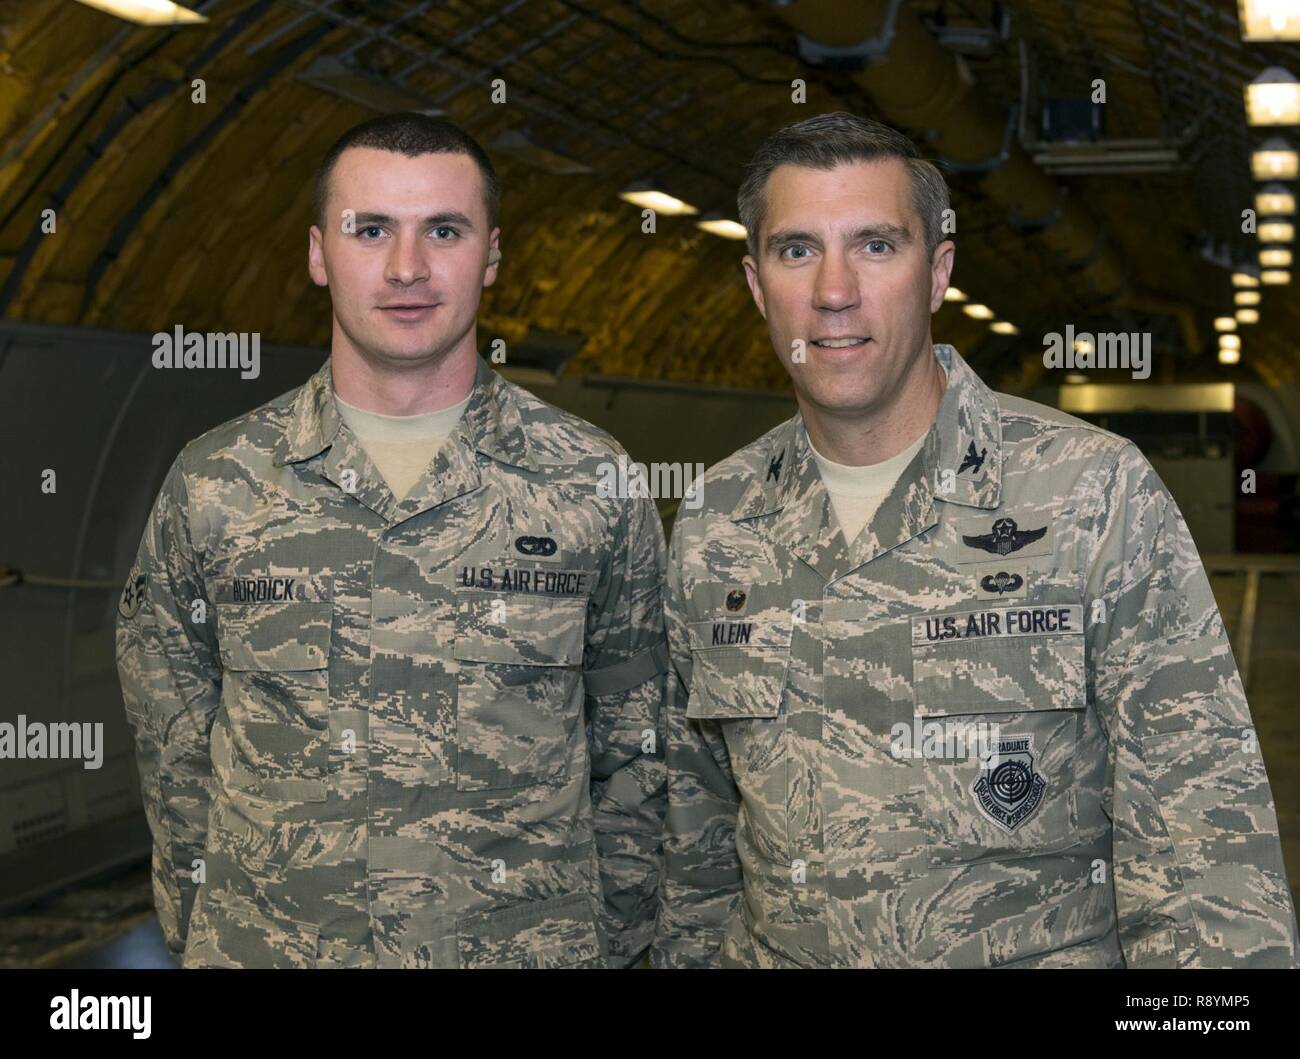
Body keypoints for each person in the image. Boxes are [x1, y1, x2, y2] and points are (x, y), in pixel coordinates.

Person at [651, 111, 1299, 968]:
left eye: (877, 246)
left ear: (938, 274)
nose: (834, 290)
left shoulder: (1089, 493)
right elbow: (689, 846)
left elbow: (1206, 852)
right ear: (756, 282)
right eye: (797, 249)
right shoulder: (714, 522)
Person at [116, 112, 668, 968]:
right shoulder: (219, 482)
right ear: (316, 253)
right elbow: (174, 749)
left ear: (490, 255)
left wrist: (604, 941)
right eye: (370, 229)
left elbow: (638, 752)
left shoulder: (591, 483)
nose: (407, 268)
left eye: (443, 230)